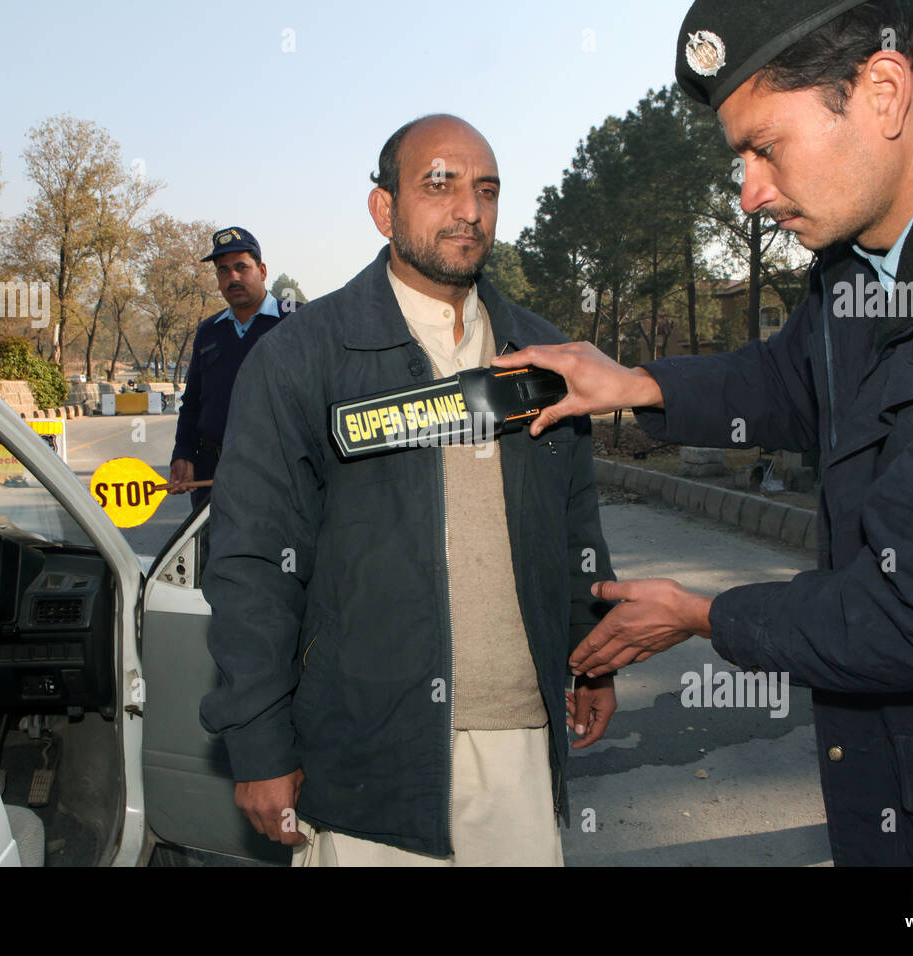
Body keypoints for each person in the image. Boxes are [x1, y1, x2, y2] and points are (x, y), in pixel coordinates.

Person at [495, 0, 913, 865]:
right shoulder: (869, 249)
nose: (749, 194)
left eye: (765, 148)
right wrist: (634, 384)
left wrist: (703, 615)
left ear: (882, 91)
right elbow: (793, 380)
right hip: (902, 789)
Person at [198, 114, 618, 865]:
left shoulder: (541, 358)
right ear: (384, 209)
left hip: (520, 748)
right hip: (365, 766)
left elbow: (574, 523)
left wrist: (592, 656)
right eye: (440, 184)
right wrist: (258, 741)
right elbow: (251, 563)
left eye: (486, 189)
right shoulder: (303, 359)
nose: (469, 208)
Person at [168, 226, 293, 510]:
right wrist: (183, 453)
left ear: (261, 271)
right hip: (213, 476)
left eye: (241, 267)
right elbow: (192, 405)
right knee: (216, 552)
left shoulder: (296, 321)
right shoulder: (209, 331)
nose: (232, 277)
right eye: (223, 271)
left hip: (280, 476)